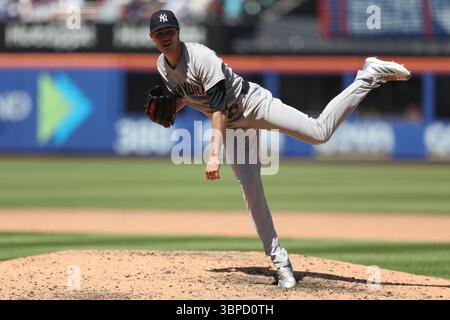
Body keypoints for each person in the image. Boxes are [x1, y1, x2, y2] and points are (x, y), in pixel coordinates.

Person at [148, 9, 411, 289]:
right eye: (159, 34)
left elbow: (219, 108)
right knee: (250, 189)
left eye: (170, 32)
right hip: (237, 128)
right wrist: (171, 108)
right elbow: (186, 94)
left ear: (179, 32)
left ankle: (367, 76)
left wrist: (214, 154)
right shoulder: (162, 67)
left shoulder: (201, 57)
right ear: (152, 38)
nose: (166, 37)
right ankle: (281, 262)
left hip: (253, 104)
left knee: (318, 132)